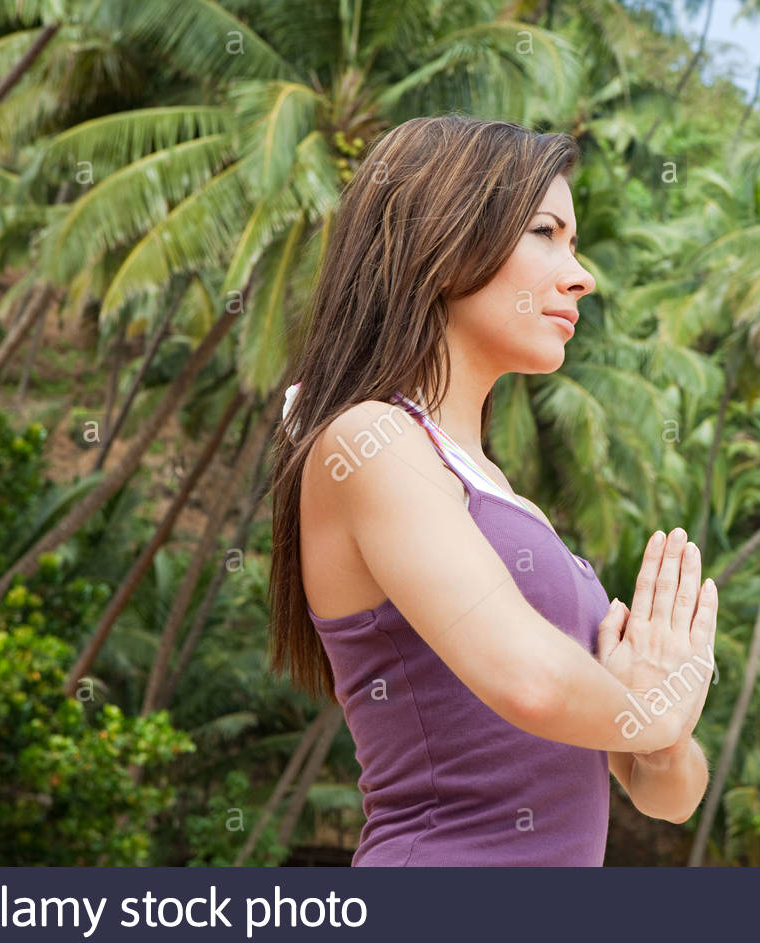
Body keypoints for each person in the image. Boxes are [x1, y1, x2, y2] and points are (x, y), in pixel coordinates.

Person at [268, 114, 717, 866]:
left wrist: (664, 727)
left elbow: (666, 793)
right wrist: (649, 708)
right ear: (442, 246)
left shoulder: (509, 504)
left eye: (572, 243)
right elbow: (531, 684)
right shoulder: (369, 442)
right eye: (545, 232)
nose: (581, 275)